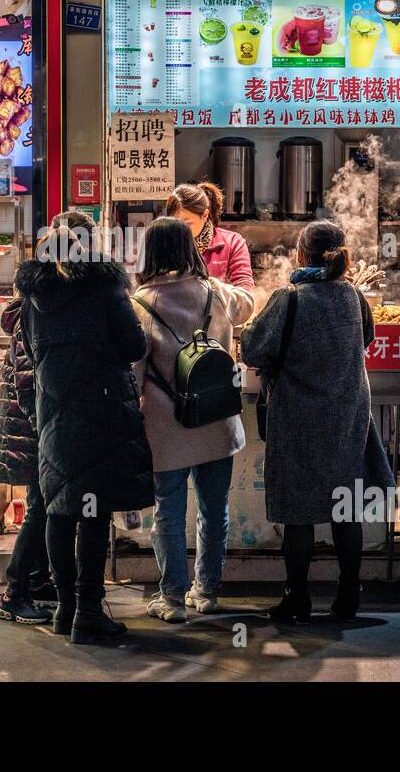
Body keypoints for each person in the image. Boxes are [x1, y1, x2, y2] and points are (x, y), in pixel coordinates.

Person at [240, 221, 395, 623]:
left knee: (299, 512)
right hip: (347, 414)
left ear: (300, 255)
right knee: (346, 510)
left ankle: (298, 598)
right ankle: (348, 595)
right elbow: (366, 339)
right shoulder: (354, 296)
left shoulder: (289, 298)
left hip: (298, 418)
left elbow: (253, 349)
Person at [14, 210, 153, 644]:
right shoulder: (105, 285)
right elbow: (133, 345)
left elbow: (33, 356)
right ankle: (89, 612)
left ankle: (66, 611)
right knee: (93, 512)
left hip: (53, 410)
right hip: (101, 407)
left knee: (60, 507)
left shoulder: (33, 295)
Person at [131, 217, 254, 624]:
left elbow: (134, 374)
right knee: (213, 509)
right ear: (189, 249)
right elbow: (251, 303)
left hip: (166, 429)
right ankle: (207, 591)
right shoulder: (215, 293)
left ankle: (171, 599)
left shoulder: (142, 303)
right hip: (217, 421)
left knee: (168, 512)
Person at [0, 292, 58, 625]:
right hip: (29, 427)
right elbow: (28, 382)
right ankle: (14, 593)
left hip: (26, 425)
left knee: (40, 500)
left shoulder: (31, 306)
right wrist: (45, 428)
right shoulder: (36, 312)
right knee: (42, 506)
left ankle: (37, 580)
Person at [164, 182, 254, 289]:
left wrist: (210, 289)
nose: (180, 230)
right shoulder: (163, 243)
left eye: (187, 224)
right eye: (175, 223)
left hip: (219, 305)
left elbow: (245, 290)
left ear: (205, 215)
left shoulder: (233, 242)